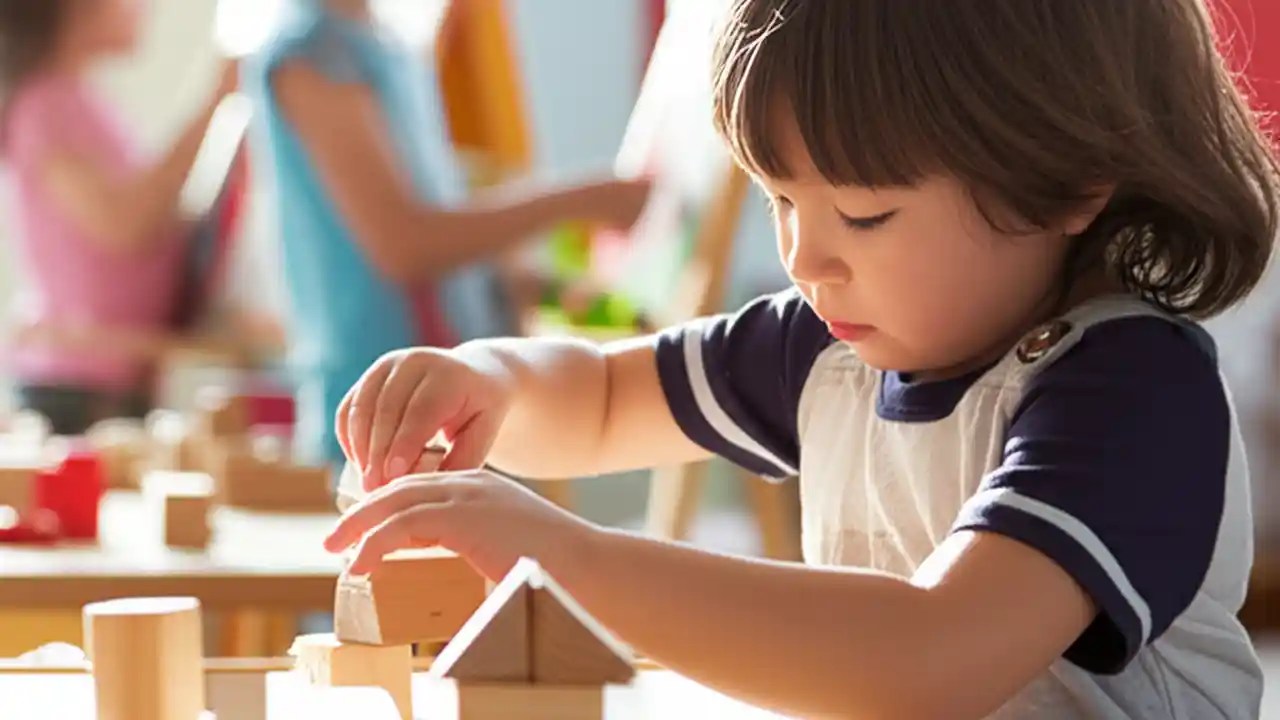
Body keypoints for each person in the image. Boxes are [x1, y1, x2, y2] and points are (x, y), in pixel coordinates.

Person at [324, 1, 1280, 718]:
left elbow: (931, 653)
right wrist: (485, 382)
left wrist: (567, 557)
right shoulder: (828, 343)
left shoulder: (1135, 392)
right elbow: (611, 397)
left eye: (864, 215)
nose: (803, 257)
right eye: (782, 200)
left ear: (1067, 183)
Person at [244, 0, 650, 468]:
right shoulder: (312, 55)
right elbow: (403, 246)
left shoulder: (391, 48)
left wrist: (529, 287)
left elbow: (436, 248)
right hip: (377, 413)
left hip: (450, 404)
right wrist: (579, 201)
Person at [0, 0, 237, 434]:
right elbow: (126, 224)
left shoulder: (82, 101)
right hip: (77, 385)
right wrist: (216, 100)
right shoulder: (44, 106)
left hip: (112, 378)